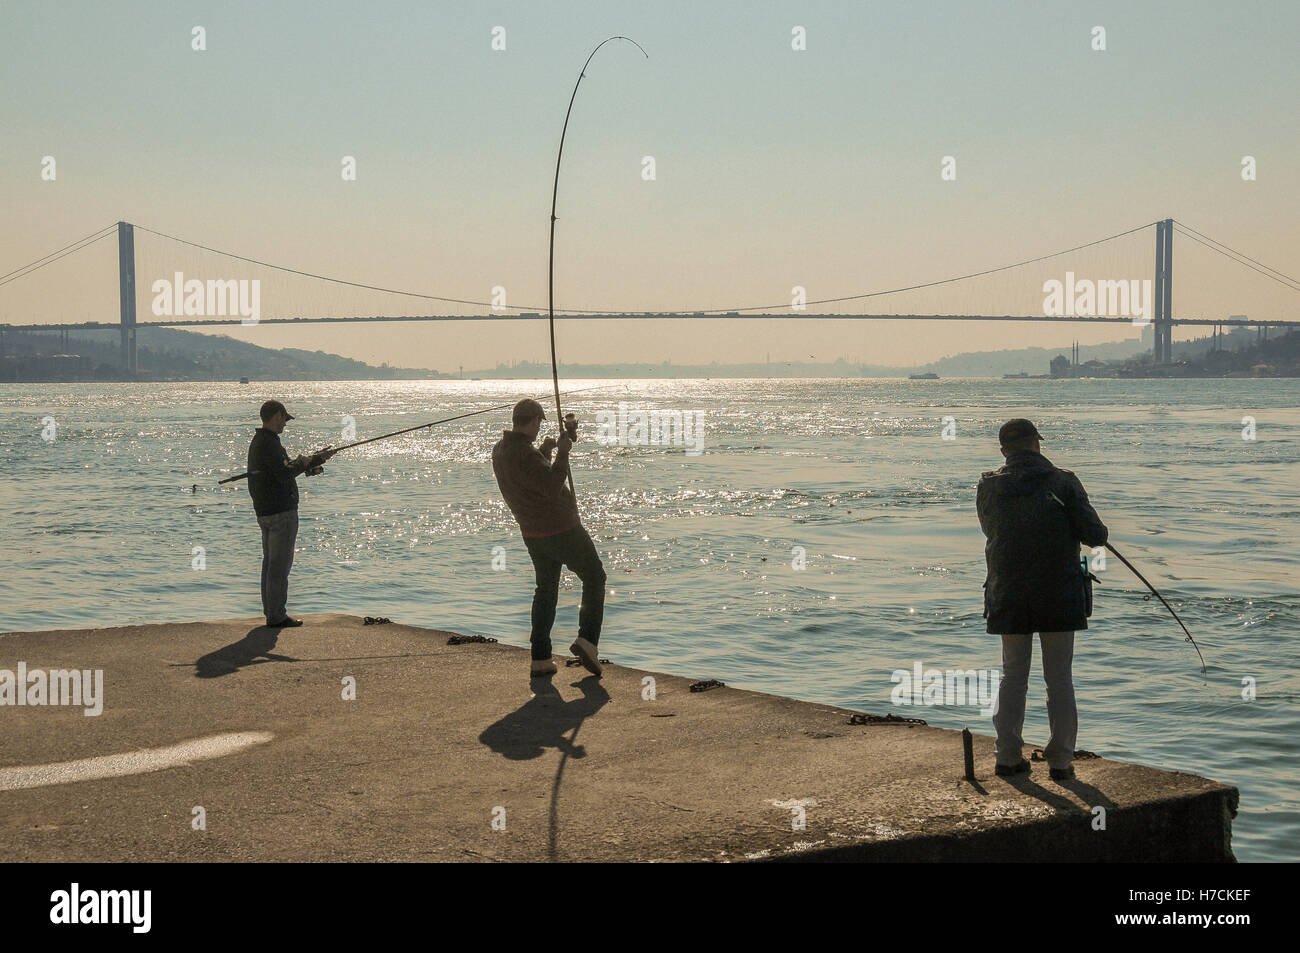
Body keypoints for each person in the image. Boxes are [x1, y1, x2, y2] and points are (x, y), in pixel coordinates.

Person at [976, 418, 1108, 782]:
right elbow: (1095, 535)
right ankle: (1061, 763)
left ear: (1004, 450)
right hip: (1059, 594)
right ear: (1037, 443)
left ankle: (1007, 756)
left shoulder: (988, 487)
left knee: (1013, 676)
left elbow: (990, 529)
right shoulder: (1063, 481)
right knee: (1059, 678)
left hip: (1008, 592)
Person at [492, 398, 606, 679]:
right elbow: (552, 485)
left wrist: (545, 448)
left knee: (546, 589)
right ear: (532, 421)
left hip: (532, 533)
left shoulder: (501, 451)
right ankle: (587, 641)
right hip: (560, 528)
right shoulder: (526, 455)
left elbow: (528, 476)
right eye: (539, 423)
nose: (539, 427)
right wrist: (563, 453)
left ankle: (540, 657)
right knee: (594, 577)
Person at [246, 400, 334, 627]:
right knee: (279, 567)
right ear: (276, 416)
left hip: (266, 512)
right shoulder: (270, 444)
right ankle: (276, 616)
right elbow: (285, 474)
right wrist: (306, 463)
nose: (285, 424)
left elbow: (278, 471)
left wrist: (311, 461)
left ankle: (271, 612)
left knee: (270, 565)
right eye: (284, 419)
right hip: (280, 514)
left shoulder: (260, 442)